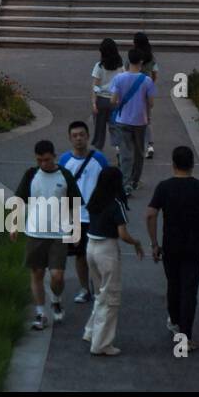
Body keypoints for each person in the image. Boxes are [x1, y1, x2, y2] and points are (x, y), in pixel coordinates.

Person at [146, 146, 199, 353]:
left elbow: (150, 214)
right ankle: (185, 337)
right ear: (192, 165)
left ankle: (175, 321)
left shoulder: (164, 187)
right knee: (189, 290)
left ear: (173, 164)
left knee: (173, 285)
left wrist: (154, 243)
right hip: (194, 246)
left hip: (170, 245)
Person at [12, 140, 82, 331]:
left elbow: (75, 204)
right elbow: (19, 199)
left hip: (59, 233)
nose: (44, 164)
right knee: (37, 273)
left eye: (47, 160)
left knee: (57, 275)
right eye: (40, 160)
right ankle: (41, 313)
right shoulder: (31, 175)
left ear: (54, 156)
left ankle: (56, 299)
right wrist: (14, 224)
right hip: (35, 232)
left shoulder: (65, 175)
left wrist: (76, 230)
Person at [82, 166, 143, 356]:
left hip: (90, 247)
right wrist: (136, 242)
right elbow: (122, 234)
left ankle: (91, 332)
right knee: (110, 297)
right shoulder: (116, 203)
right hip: (107, 250)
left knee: (101, 293)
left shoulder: (95, 199)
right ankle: (101, 344)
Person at [60, 121, 112, 304]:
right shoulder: (64, 161)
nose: (79, 138)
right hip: (73, 215)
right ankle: (84, 288)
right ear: (70, 138)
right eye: (74, 135)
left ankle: (99, 288)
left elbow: (110, 184)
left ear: (88, 136)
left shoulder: (100, 159)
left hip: (96, 215)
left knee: (98, 255)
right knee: (79, 255)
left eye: (82, 135)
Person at [108, 47, 155, 193]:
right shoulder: (147, 80)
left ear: (128, 60)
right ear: (141, 61)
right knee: (139, 152)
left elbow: (113, 100)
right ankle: (135, 180)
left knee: (125, 152)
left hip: (123, 120)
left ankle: (126, 182)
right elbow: (151, 103)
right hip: (140, 121)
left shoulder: (119, 78)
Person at [91, 38, 122, 151]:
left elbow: (95, 86)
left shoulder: (99, 66)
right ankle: (118, 148)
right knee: (115, 127)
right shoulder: (120, 66)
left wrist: (94, 103)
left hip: (101, 100)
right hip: (115, 100)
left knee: (100, 128)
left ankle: (99, 151)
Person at [133, 32, 158, 159]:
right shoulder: (151, 57)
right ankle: (150, 145)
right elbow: (155, 74)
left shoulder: (134, 56)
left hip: (135, 90)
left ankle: (135, 144)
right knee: (148, 119)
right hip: (147, 88)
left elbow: (128, 71)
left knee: (133, 118)